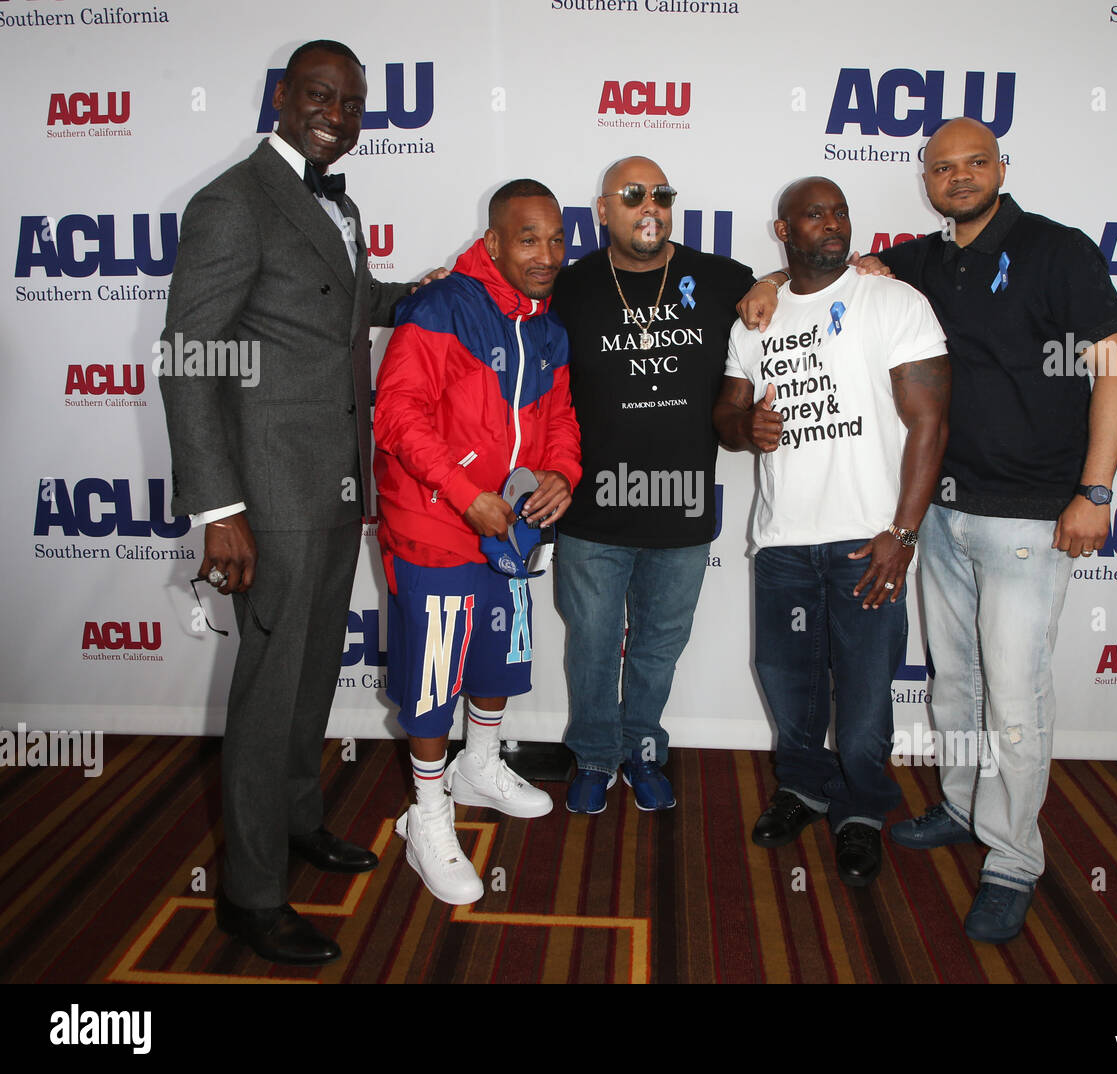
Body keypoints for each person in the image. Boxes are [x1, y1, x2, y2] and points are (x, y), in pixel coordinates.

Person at [739, 119, 1117, 941]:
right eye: (942, 168)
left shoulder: (1061, 252)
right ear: (925, 179)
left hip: (1030, 513)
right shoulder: (923, 259)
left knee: (1016, 698)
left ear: (1002, 168)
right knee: (956, 682)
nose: (958, 178)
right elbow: (829, 273)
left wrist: (1095, 489)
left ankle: (1014, 858)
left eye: (974, 163)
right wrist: (773, 280)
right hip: (942, 514)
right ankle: (961, 805)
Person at [158, 41, 415, 966]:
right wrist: (219, 509)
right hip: (267, 493)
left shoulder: (335, 201)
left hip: (337, 484)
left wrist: (419, 296)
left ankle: (299, 825)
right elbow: (189, 360)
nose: (337, 114)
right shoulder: (234, 201)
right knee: (271, 697)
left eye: (351, 102)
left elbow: (342, 310)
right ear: (281, 96)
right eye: (320, 95)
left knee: (309, 682)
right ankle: (250, 894)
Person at [716, 177, 950, 888]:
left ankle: (860, 811)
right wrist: (744, 426)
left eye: (840, 210)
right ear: (782, 230)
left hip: (867, 542)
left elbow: (930, 422)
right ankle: (804, 789)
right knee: (788, 687)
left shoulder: (893, 300)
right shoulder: (756, 317)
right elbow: (727, 416)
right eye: (813, 214)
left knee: (865, 698)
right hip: (784, 542)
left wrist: (903, 534)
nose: (831, 223)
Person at [373, 180, 581, 904]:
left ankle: (480, 764)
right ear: (492, 241)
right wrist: (465, 494)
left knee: (501, 657)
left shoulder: (548, 325)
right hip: (435, 527)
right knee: (434, 682)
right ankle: (427, 817)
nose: (547, 254)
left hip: (513, 530)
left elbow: (558, 418)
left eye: (557, 239)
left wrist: (563, 473)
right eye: (529, 238)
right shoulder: (442, 306)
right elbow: (397, 415)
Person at [548, 157, 756, 814]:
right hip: (591, 516)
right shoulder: (569, 286)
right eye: (633, 194)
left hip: (682, 514)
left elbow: (795, 288)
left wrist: (788, 278)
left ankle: (642, 750)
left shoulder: (722, 280)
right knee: (591, 647)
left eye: (662, 194)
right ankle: (593, 755)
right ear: (602, 210)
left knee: (658, 649)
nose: (651, 205)